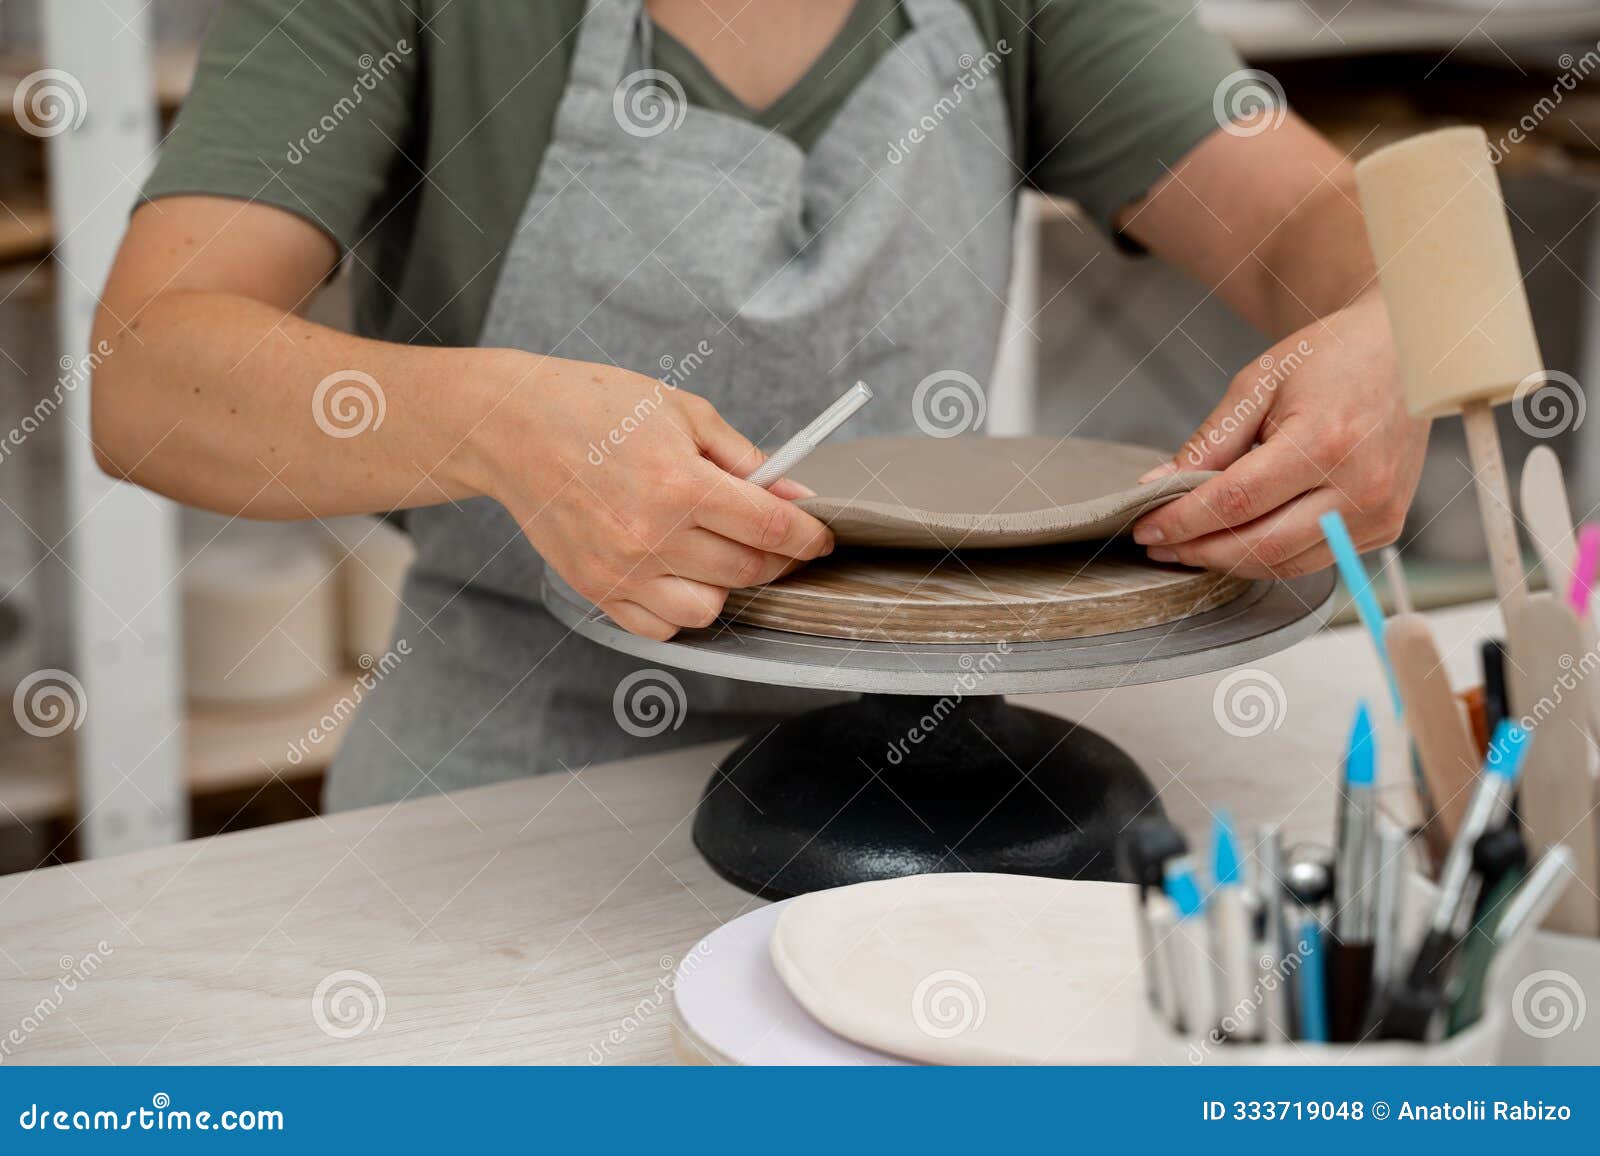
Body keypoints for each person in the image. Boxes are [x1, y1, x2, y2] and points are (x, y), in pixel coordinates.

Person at [91, 0, 1427, 810]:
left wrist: (1397, 327)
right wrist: (501, 421)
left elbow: (1314, 215)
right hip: (518, 775)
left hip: (932, 746)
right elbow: (147, 371)